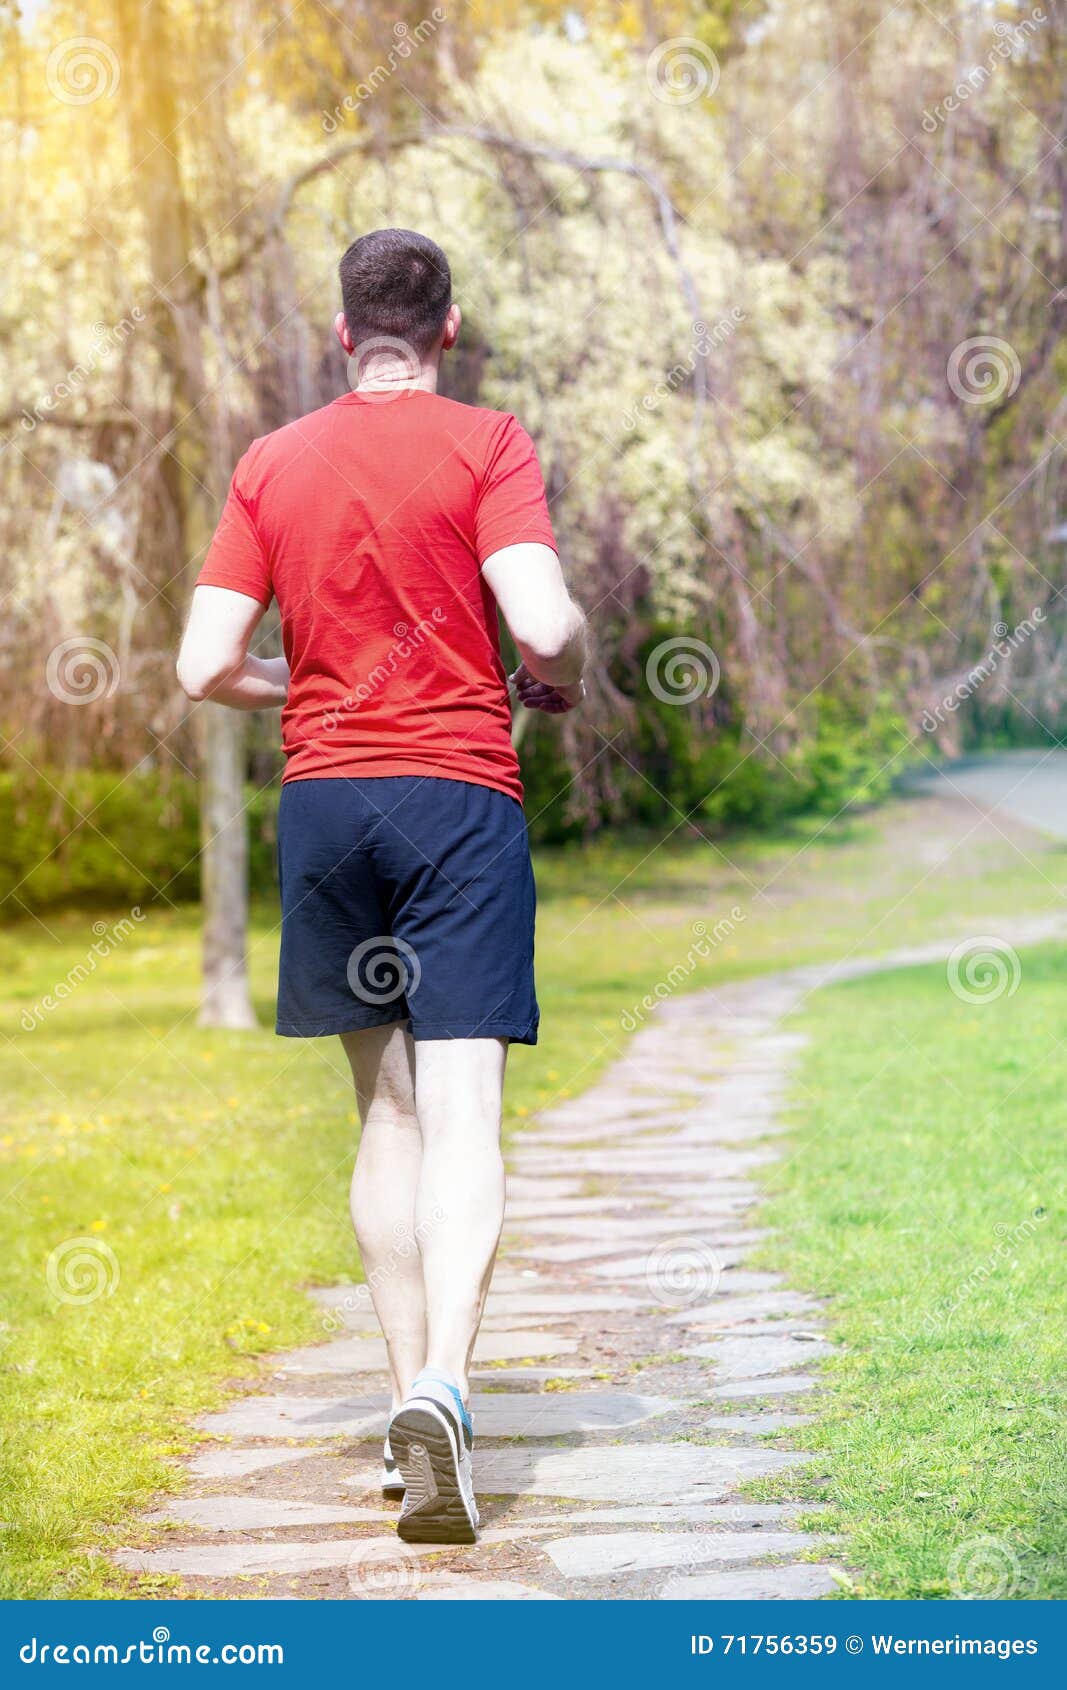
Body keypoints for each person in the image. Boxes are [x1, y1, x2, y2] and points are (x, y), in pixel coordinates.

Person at [176, 228, 587, 1545]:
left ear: (346, 334)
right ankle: (449, 1390)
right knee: (465, 1106)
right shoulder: (488, 444)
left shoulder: (270, 464)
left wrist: (304, 688)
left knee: (388, 1118)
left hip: (327, 806)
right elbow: (540, 619)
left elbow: (201, 662)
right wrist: (565, 665)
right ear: (448, 329)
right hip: (459, 795)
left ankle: (410, 1417)